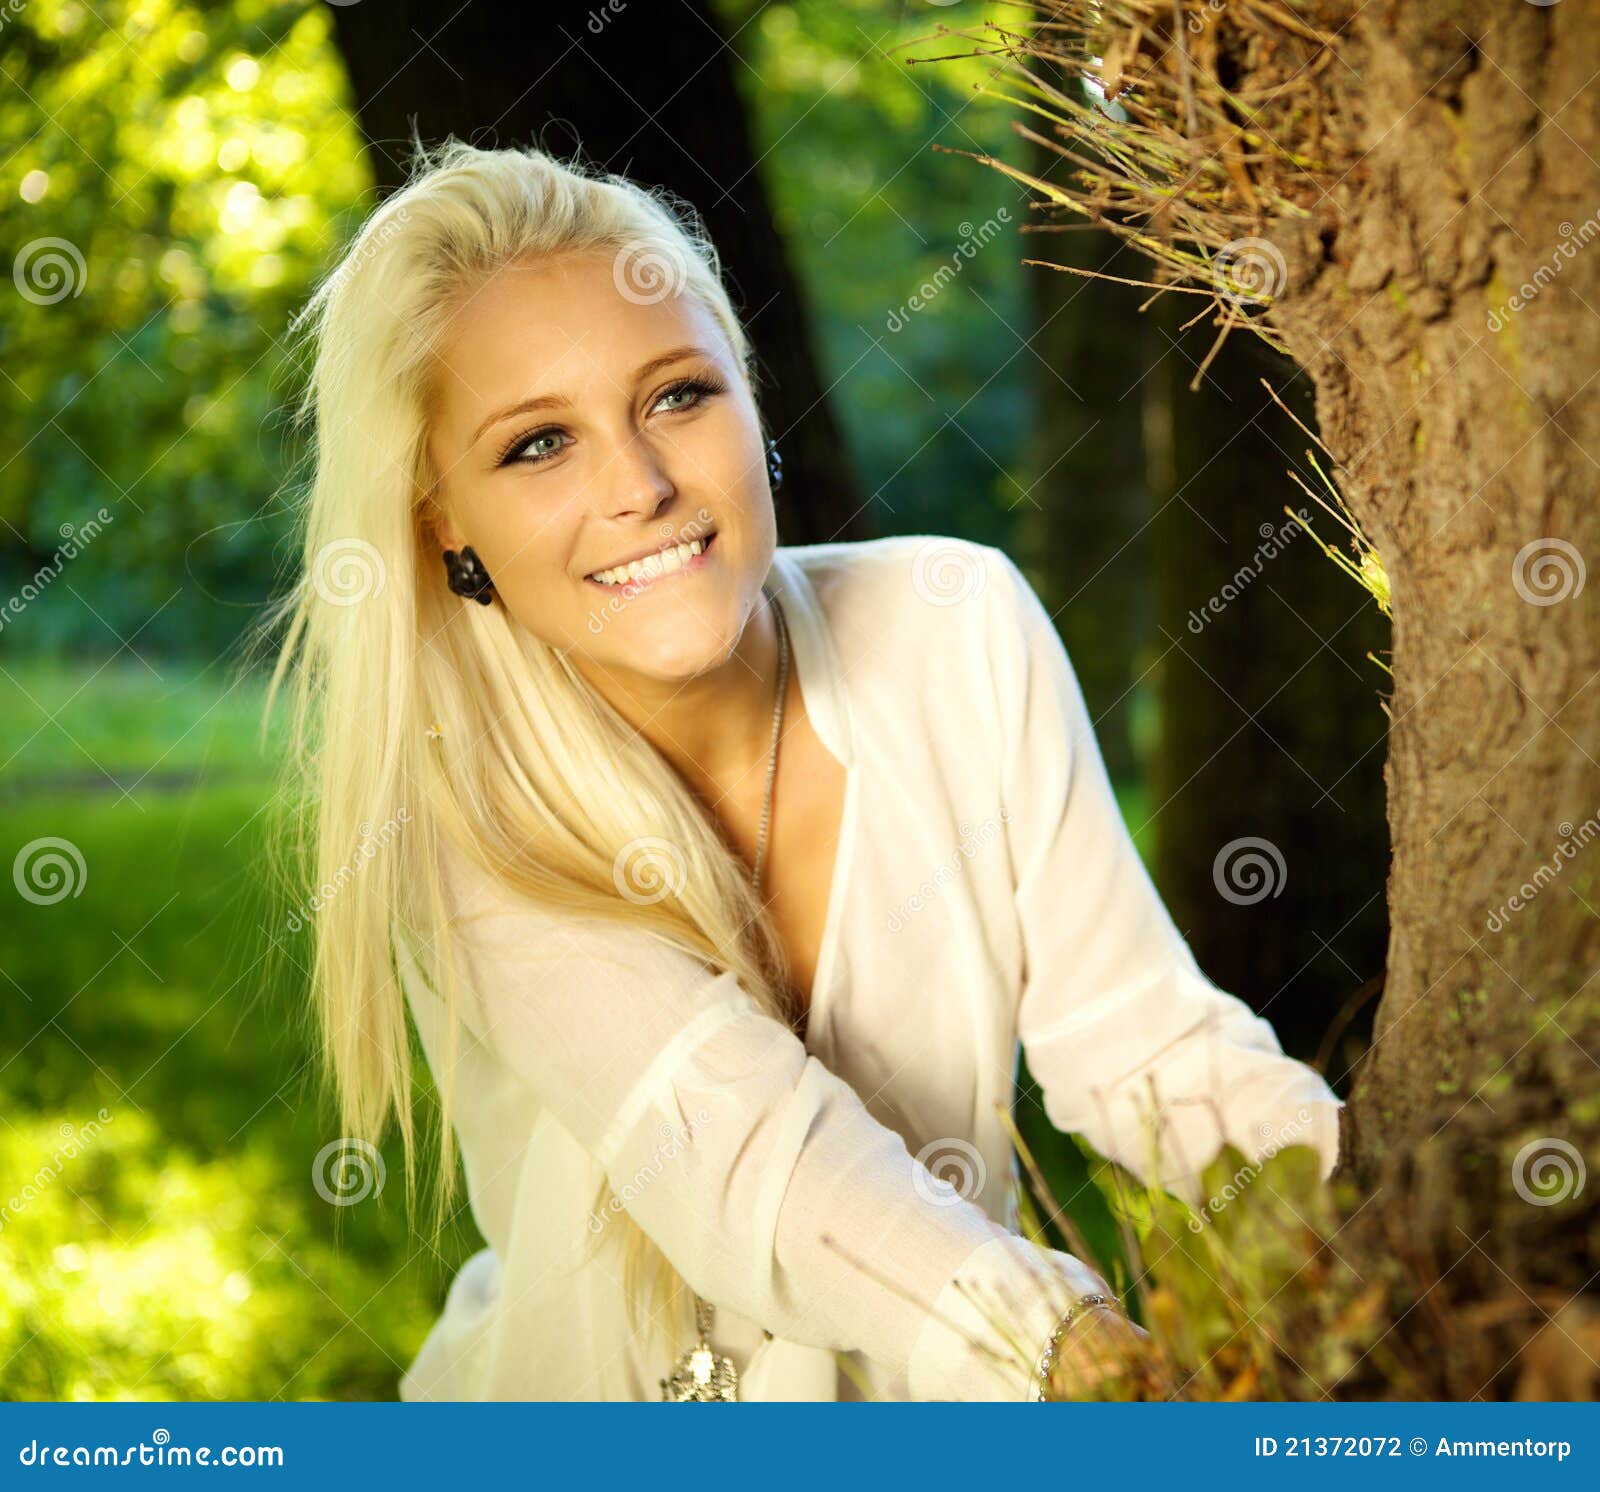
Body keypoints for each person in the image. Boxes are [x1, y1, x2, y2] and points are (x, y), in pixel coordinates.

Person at [258, 138, 1343, 1402]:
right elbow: (750, 1164)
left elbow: (1145, 1051)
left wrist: (1383, 1229)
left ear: (750, 402)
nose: (640, 486)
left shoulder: (957, 627)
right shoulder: (460, 810)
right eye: (538, 444)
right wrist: (1075, 1353)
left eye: (677, 396)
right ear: (443, 518)